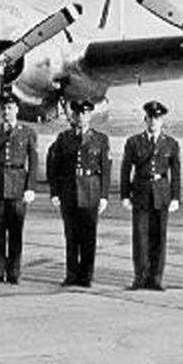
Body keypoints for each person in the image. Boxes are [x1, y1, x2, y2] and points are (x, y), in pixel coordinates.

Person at [47, 99, 110, 288]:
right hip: (70, 191)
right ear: (73, 115)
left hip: (91, 189)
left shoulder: (100, 139)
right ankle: (71, 275)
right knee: (71, 236)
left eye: (85, 113)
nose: (81, 117)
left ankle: (86, 276)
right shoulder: (63, 138)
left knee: (89, 236)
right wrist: (55, 192)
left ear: (90, 115)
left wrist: (104, 195)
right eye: (78, 113)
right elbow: (54, 167)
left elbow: (105, 168)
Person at [120, 100, 181, 291]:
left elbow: (175, 173)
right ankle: (140, 277)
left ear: (162, 121)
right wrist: (125, 195)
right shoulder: (133, 142)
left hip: (161, 193)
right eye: (150, 118)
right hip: (141, 192)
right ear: (145, 119)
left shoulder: (171, 144)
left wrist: (175, 197)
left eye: (157, 118)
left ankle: (156, 278)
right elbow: (126, 170)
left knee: (159, 238)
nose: (153, 121)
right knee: (140, 238)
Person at [0, 91, 38, 284]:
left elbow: (33, 161)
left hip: (18, 185)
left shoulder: (27, 132)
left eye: (10, 108)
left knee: (16, 232)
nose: (7, 111)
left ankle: (14, 273)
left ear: (17, 109)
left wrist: (30, 187)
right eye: (4, 108)